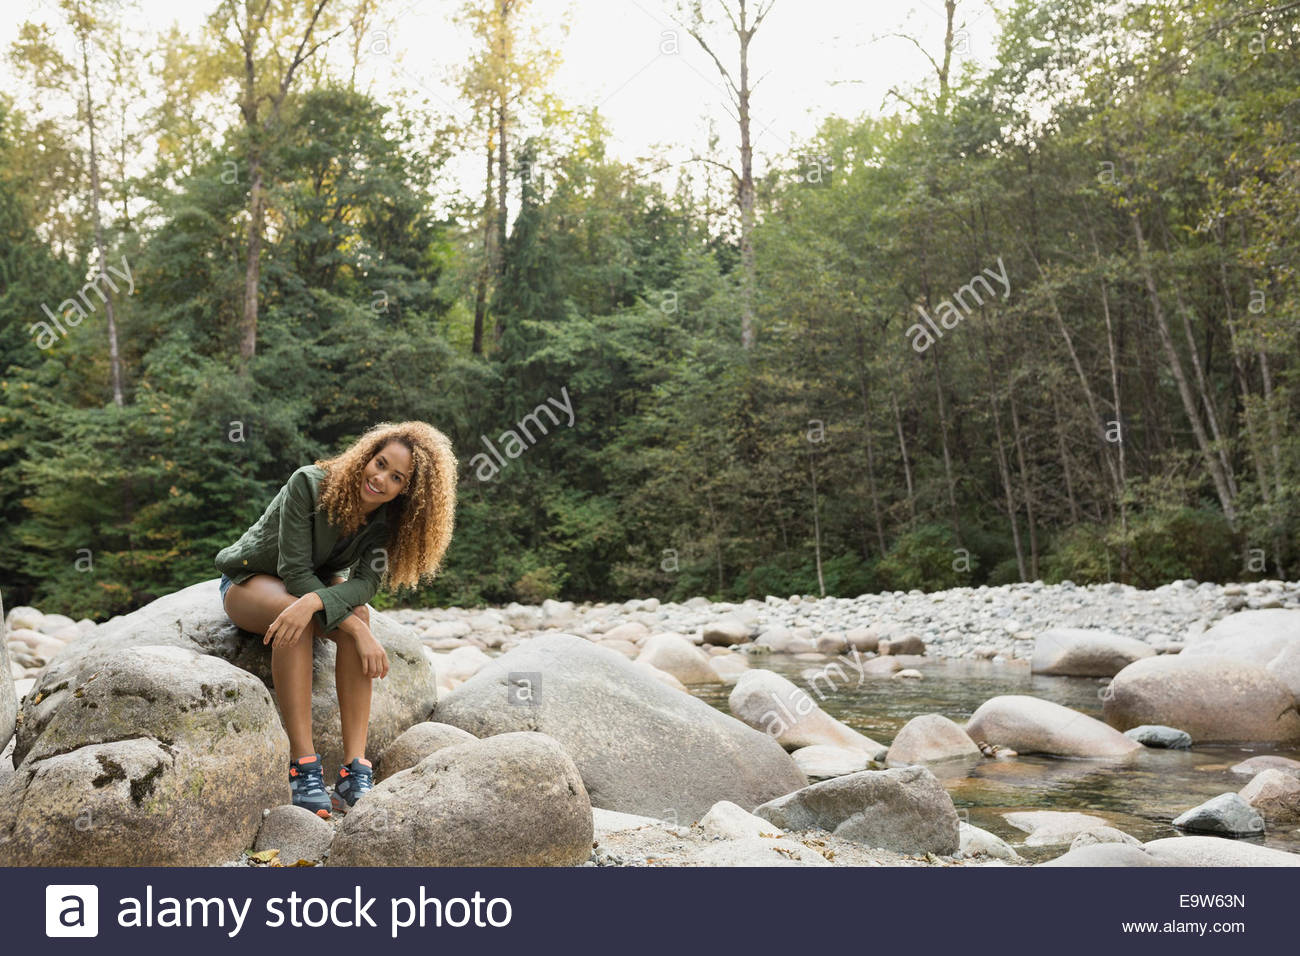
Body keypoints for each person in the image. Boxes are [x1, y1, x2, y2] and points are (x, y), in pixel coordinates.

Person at [214, 421, 457, 818]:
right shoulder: (308, 485)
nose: (380, 479)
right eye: (379, 464)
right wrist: (355, 627)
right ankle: (303, 766)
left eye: (396, 478)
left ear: (406, 491)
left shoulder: (386, 522)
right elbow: (293, 572)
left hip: (312, 590)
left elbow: (364, 585)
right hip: (250, 580)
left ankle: (354, 769)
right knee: (303, 617)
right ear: (366, 455)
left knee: (353, 612)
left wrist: (346, 616)